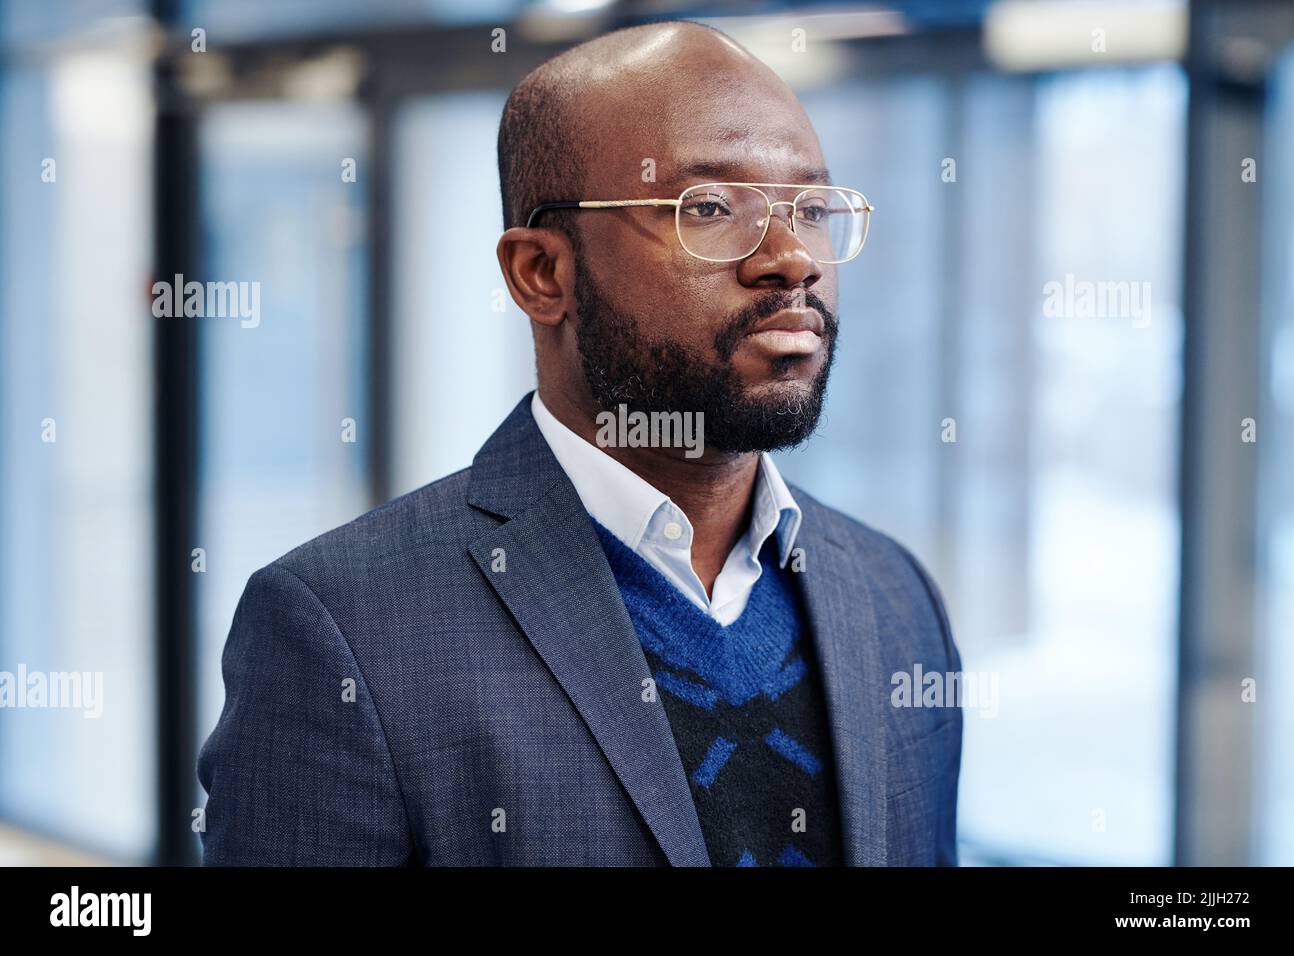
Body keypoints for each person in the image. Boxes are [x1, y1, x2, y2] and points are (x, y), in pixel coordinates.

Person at [197, 19, 962, 866]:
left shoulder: (896, 598)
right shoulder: (345, 631)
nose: (791, 259)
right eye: (710, 208)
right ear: (541, 273)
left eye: (812, 210)